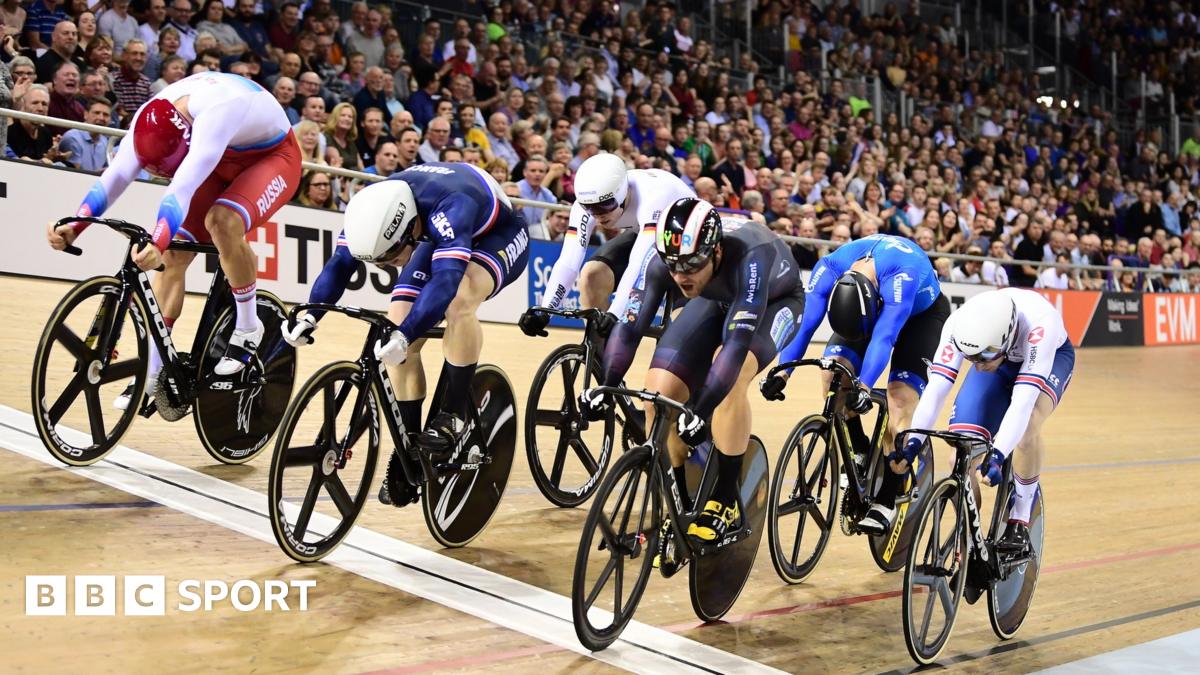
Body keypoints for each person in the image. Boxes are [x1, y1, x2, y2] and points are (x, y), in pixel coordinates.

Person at [46, 71, 302, 408]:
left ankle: (248, 326)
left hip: (272, 158)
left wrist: (157, 240)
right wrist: (76, 225)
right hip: (223, 153)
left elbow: (180, 189)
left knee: (222, 222)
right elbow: (114, 178)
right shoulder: (148, 119)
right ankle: (154, 372)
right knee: (172, 260)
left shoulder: (214, 117)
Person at [283, 163, 530, 503]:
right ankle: (410, 446)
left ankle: (453, 415)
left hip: (497, 233)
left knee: (459, 300)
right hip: (433, 227)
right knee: (397, 316)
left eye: (388, 255)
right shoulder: (371, 209)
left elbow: (445, 282)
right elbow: (339, 266)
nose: (386, 265)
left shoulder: (453, 208)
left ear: (407, 230)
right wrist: (310, 315)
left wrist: (406, 334)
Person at [580, 199, 804, 550]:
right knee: (658, 393)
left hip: (774, 301)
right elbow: (631, 326)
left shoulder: (750, 259)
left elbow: (734, 346)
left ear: (715, 252)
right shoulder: (666, 264)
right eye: (674, 265)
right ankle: (679, 505)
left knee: (732, 374)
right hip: (714, 298)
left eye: (692, 264)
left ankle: (726, 499)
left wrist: (699, 411)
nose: (682, 275)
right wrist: (607, 386)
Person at [762, 234, 951, 534]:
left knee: (899, 400)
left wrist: (863, 386)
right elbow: (806, 324)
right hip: (868, 308)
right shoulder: (830, 267)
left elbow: (884, 337)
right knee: (833, 374)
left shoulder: (901, 276)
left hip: (921, 318)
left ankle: (887, 499)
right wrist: (782, 371)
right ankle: (859, 448)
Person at [890, 289, 1074, 561]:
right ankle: (969, 536)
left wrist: (997, 455)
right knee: (959, 454)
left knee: (1027, 429)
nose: (976, 367)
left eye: (982, 357)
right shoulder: (959, 326)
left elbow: (1021, 404)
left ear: (1007, 336)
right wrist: (913, 442)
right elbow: (936, 389)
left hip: (1050, 357)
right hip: (1000, 360)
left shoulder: (1040, 326)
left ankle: (1020, 518)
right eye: (970, 358)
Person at [519, 152, 695, 338]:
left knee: (681, 326)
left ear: (621, 193)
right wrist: (544, 311)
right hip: (643, 230)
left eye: (605, 205)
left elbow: (637, 264)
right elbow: (568, 262)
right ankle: (598, 354)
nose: (598, 215)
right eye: (590, 208)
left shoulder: (651, 196)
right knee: (592, 275)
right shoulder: (586, 204)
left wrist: (614, 313)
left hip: (686, 237)